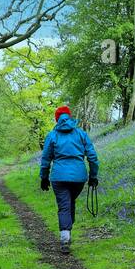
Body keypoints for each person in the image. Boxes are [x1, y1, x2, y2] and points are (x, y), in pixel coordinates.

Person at [39, 105, 99, 249]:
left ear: (57, 119)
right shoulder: (81, 134)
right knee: (69, 202)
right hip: (79, 177)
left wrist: (44, 177)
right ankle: (67, 231)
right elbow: (92, 156)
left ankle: (65, 237)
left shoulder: (52, 135)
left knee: (64, 205)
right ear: (70, 117)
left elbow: (46, 159)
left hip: (59, 177)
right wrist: (93, 176)